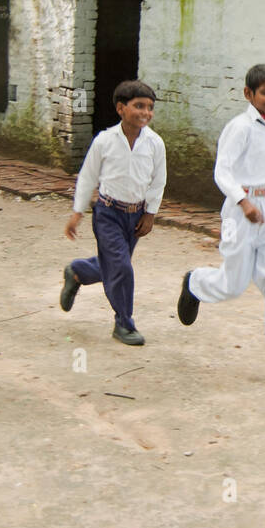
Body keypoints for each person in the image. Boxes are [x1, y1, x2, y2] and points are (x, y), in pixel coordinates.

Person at [176, 64, 265, 392]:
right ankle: (196, 283)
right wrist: (243, 201)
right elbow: (222, 172)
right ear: (249, 94)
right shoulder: (238, 127)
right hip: (240, 212)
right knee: (233, 284)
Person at [60, 80, 168, 346]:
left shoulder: (155, 143)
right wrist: (78, 212)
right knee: (121, 267)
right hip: (108, 213)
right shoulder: (105, 141)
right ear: (121, 108)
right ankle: (124, 323)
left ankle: (78, 272)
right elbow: (87, 177)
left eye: (150, 107)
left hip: (136, 216)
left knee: (112, 265)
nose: (145, 112)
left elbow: (158, 181)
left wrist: (150, 213)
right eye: (138, 106)